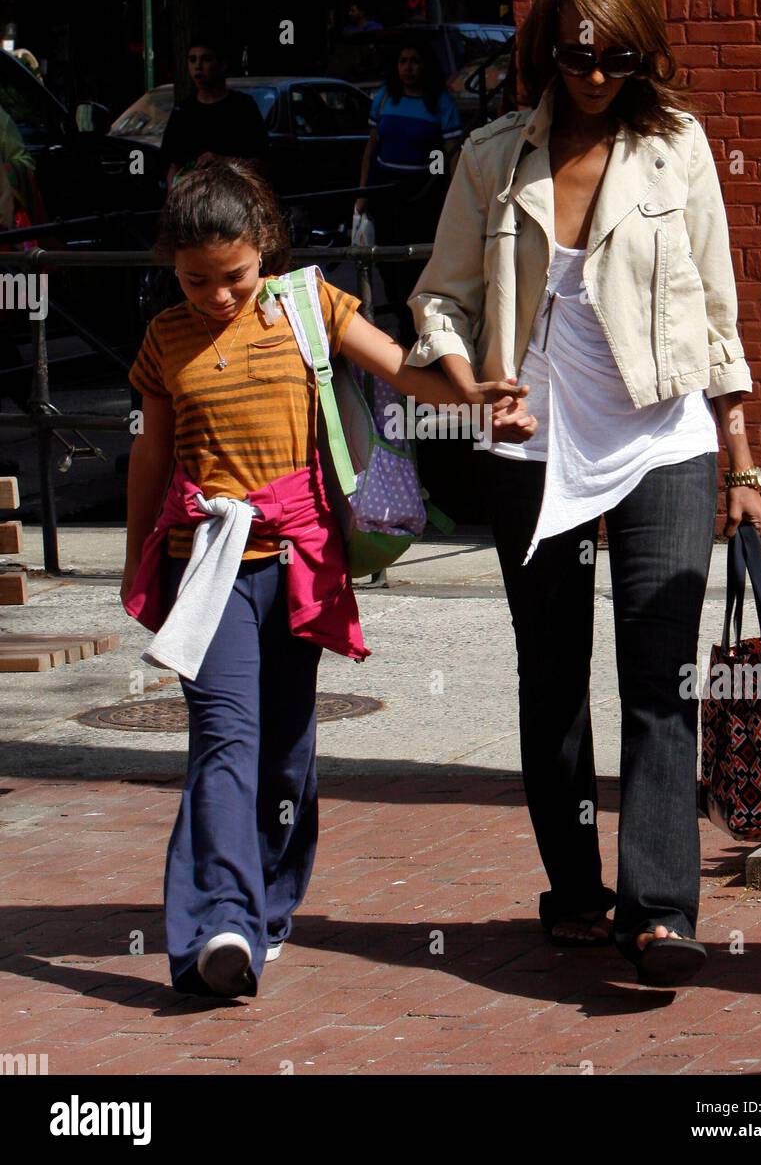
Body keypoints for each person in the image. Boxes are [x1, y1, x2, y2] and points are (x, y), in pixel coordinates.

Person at [403, 0, 761, 988]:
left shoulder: (677, 148)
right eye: (576, 55)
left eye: (616, 54)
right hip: (535, 445)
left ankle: (659, 911)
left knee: (660, 679)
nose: (596, 74)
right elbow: (439, 299)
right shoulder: (490, 160)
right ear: (546, 51)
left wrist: (740, 456)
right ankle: (574, 887)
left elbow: (716, 309)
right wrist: (470, 377)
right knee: (553, 679)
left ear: (642, 49)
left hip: (663, 439)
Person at [120, 157, 534, 999]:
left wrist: (473, 400)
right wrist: (138, 563)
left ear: (263, 248)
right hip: (208, 567)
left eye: (232, 276)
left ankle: (268, 906)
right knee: (225, 742)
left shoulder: (310, 304)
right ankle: (217, 925)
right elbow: (150, 456)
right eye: (195, 280)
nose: (216, 296)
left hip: (303, 563)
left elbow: (400, 372)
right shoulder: (165, 339)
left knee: (285, 750)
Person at [355, 37, 463, 343]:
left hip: (423, 196)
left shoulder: (440, 103)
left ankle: (417, 328)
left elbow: (451, 152)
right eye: (403, 61)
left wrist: (453, 196)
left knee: (417, 263)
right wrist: (363, 194)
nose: (408, 68)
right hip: (386, 194)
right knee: (387, 263)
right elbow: (372, 146)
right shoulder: (386, 98)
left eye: (415, 61)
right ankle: (401, 322)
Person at [159, 34, 270, 190]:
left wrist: (223, 162)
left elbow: (261, 165)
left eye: (206, 59)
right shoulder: (182, 112)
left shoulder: (243, 107)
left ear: (223, 65)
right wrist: (175, 195)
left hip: (236, 201)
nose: (198, 66)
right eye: (192, 60)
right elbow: (173, 166)